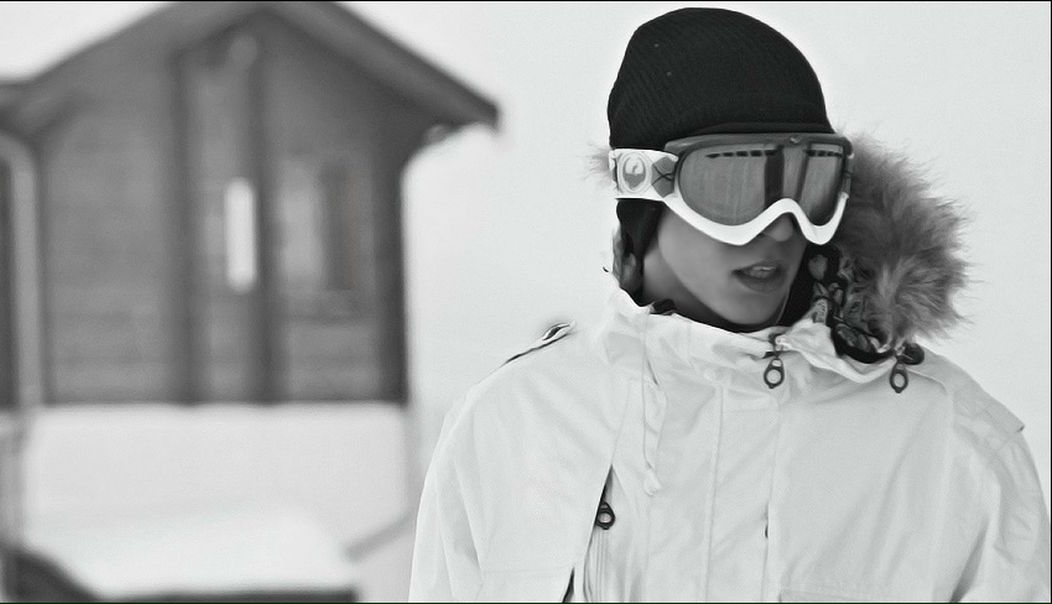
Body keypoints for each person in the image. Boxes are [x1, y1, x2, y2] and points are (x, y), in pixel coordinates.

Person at [409, 7, 1050, 602]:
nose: (779, 224)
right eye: (736, 180)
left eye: (807, 181)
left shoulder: (951, 446)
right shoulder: (513, 424)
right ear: (644, 188)